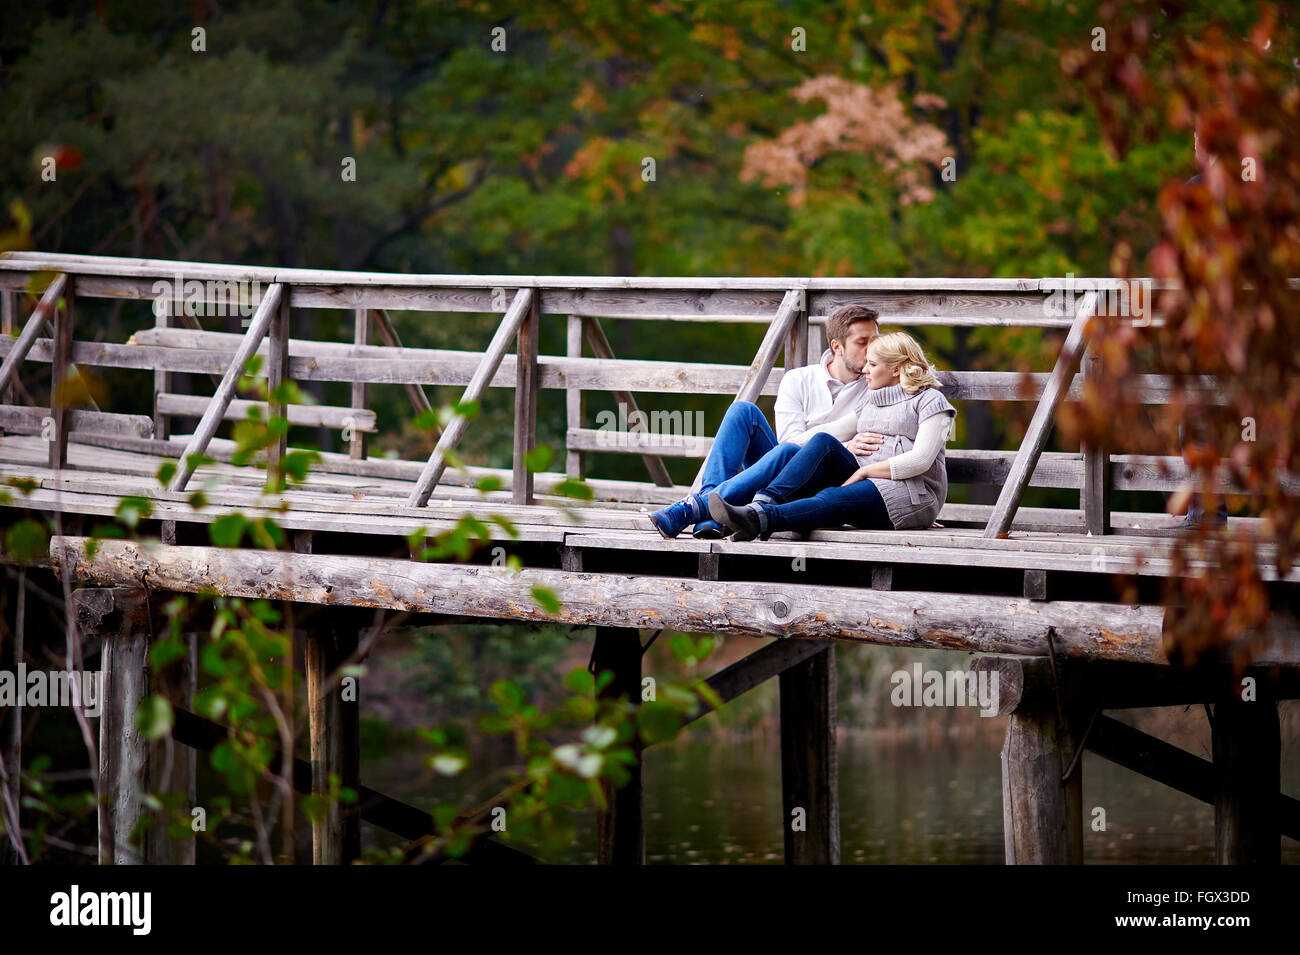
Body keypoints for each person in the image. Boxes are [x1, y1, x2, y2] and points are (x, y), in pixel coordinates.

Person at [648, 304, 884, 538]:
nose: (873, 350)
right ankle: (711, 515)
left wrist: (838, 449)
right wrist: (842, 443)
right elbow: (789, 442)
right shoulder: (799, 379)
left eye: (875, 341)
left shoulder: (878, 384)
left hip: (826, 484)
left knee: (791, 449)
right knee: (743, 412)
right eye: (863, 342)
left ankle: (696, 510)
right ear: (837, 346)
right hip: (781, 472)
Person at [705, 331, 956, 541]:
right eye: (866, 362)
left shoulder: (933, 402)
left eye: (873, 364)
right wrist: (784, 453)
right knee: (823, 443)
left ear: (896, 369)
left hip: (911, 495)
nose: (865, 370)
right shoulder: (871, 402)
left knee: (832, 497)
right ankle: (762, 502)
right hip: (865, 484)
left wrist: (865, 471)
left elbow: (921, 460)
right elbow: (825, 433)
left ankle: (758, 519)